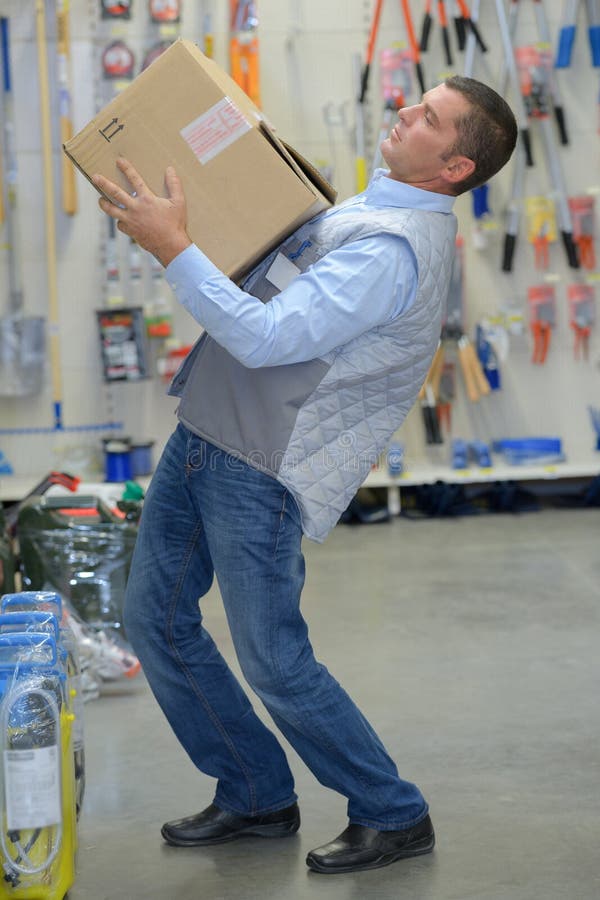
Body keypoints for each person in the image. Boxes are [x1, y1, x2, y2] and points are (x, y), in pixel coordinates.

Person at [93, 75, 517, 875]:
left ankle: (394, 813)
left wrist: (172, 244)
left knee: (273, 658)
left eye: (428, 118)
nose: (404, 112)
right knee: (157, 618)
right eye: (414, 101)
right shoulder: (371, 207)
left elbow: (264, 337)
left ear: (454, 167)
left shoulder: (391, 251)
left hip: (261, 464)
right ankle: (254, 793)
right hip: (209, 431)